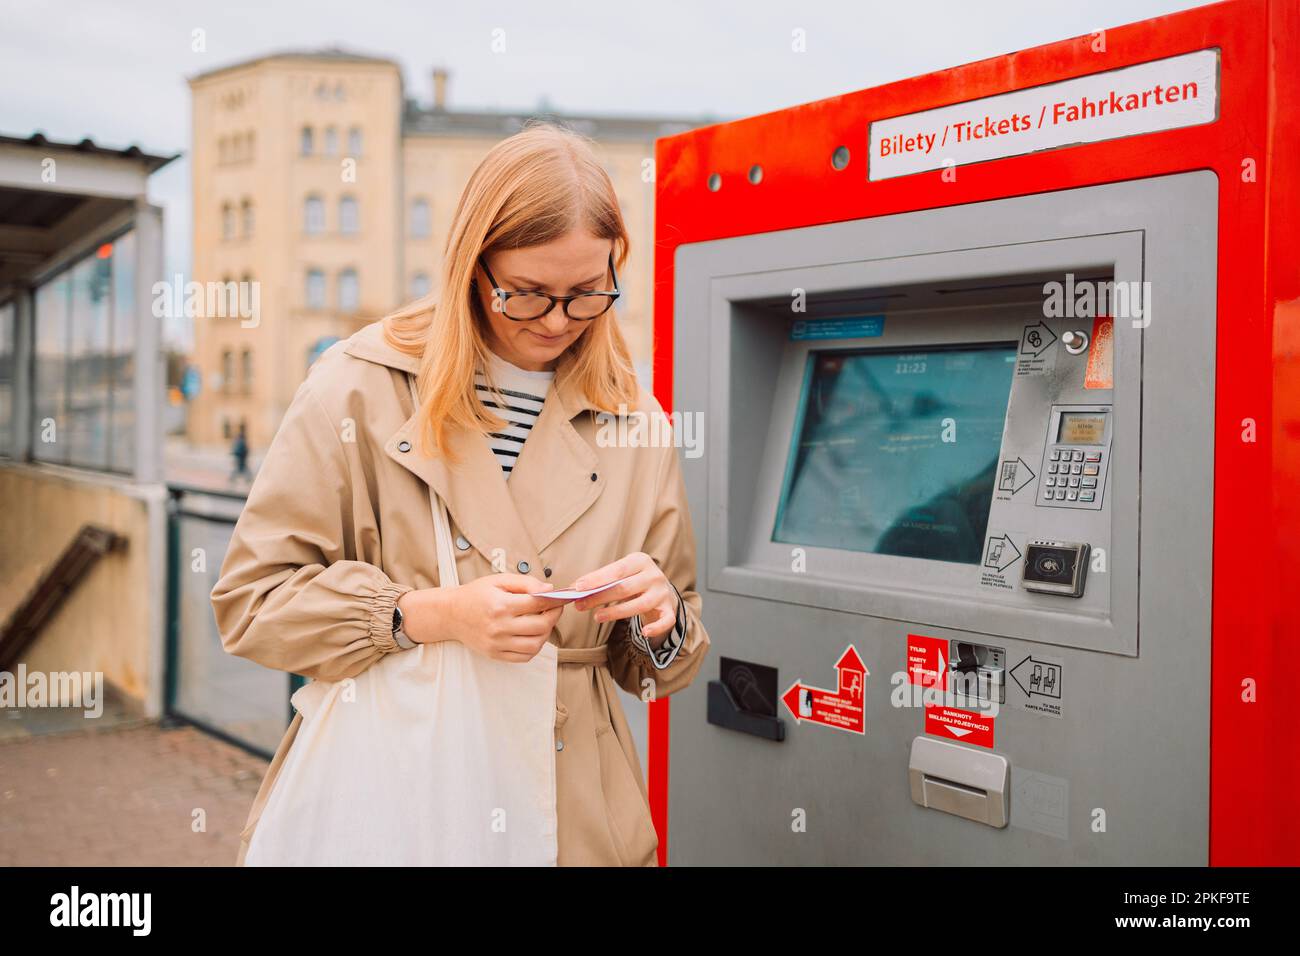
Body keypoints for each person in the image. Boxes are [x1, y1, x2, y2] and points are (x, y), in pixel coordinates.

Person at [210, 122, 710, 866]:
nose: (557, 322)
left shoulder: (634, 418)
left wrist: (661, 616)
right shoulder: (358, 385)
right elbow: (252, 604)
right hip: (397, 802)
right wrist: (428, 616)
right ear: (471, 267)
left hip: (574, 812)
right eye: (528, 294)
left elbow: (655, 667)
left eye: (587, 293)